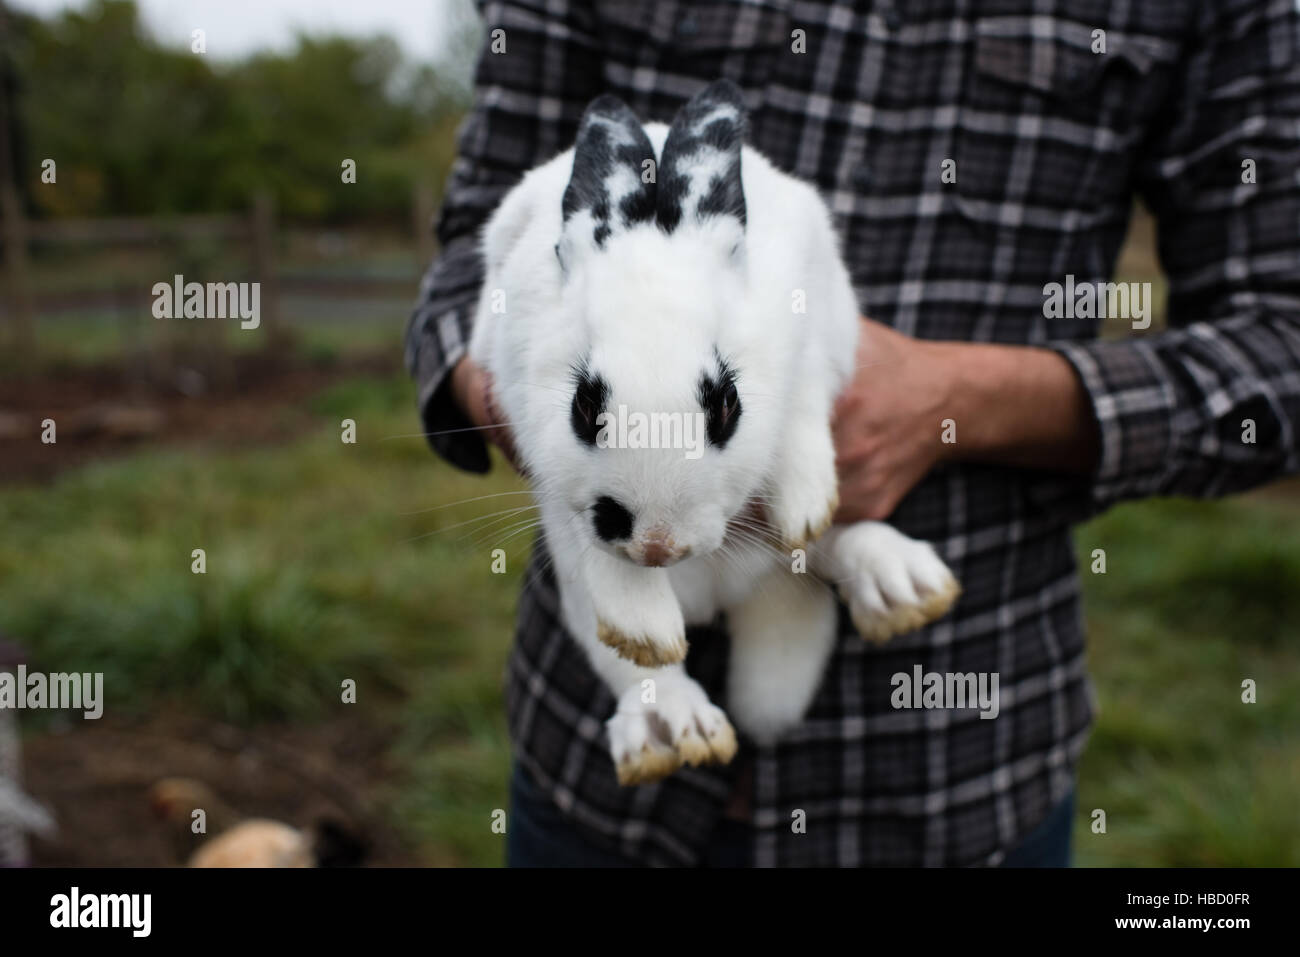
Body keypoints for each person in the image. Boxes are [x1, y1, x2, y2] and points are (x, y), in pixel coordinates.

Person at [405, 0, 1300, 866]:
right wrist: (538, 411)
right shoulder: (578, 249)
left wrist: (959, 402)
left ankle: (852, 554)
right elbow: (467, 271)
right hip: (593, 783)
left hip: (959, 773)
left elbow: (1279, 348)